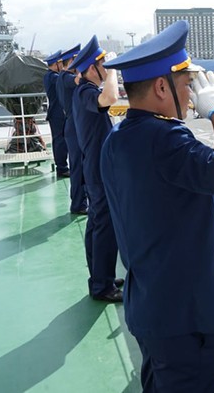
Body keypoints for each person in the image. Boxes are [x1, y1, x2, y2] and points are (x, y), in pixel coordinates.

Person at [101, 20, 214, 392]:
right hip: (187, 317)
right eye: (186, 86)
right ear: (160, 86)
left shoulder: (119, 138)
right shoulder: (164, 139)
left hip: (156, 306)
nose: (190, 96)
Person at [69, 36, 123, 303]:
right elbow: (111, 96)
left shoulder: (83, 91)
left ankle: (101, 278)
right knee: (105, 226)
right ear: (94, 68)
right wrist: (113, 69)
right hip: (99, 168)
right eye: (103, 65)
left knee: (96, 224)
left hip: (95, 164)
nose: (107, 70)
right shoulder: (87, 92)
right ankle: (102, 286)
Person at [56, 44, 88, 214]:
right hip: (74, 127)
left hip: (75, 125)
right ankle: (78, 204)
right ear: (72, 61)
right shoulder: (66, 77)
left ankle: (81, 201)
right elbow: (79, 80)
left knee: (81, 165)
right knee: (78, 167)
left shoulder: (63, 76)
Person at [43, 50, 70, 177]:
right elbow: (65, 80)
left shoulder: (48, 76)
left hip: (57, 113)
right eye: (60, 63)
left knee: (59, 140)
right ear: (56, 64)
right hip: (57, 113)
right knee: (60, 141)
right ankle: (62, 167)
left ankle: (62, 166)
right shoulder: (53, 77)